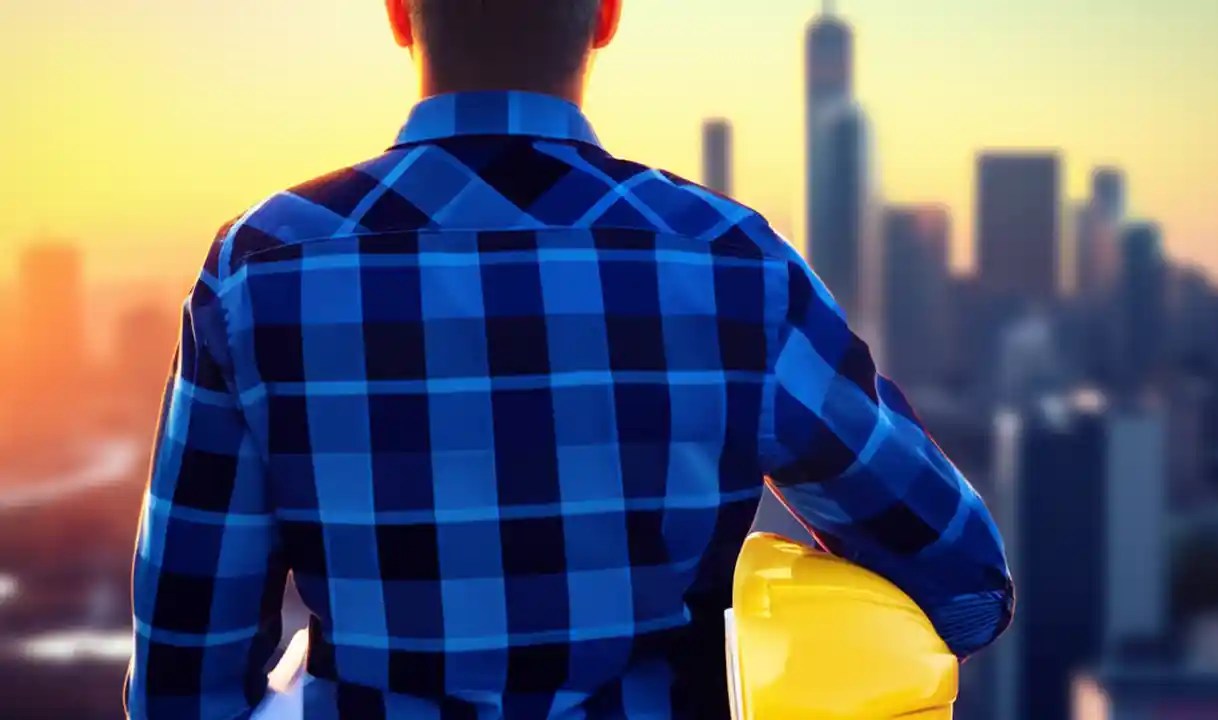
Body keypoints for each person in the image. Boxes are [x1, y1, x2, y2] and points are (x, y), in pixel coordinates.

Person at [125, 1, 1014, 717]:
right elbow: (966, 585)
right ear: (607, 14)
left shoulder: (260, 269)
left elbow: (181, 683)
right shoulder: (733, 265)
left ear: (399, 13)